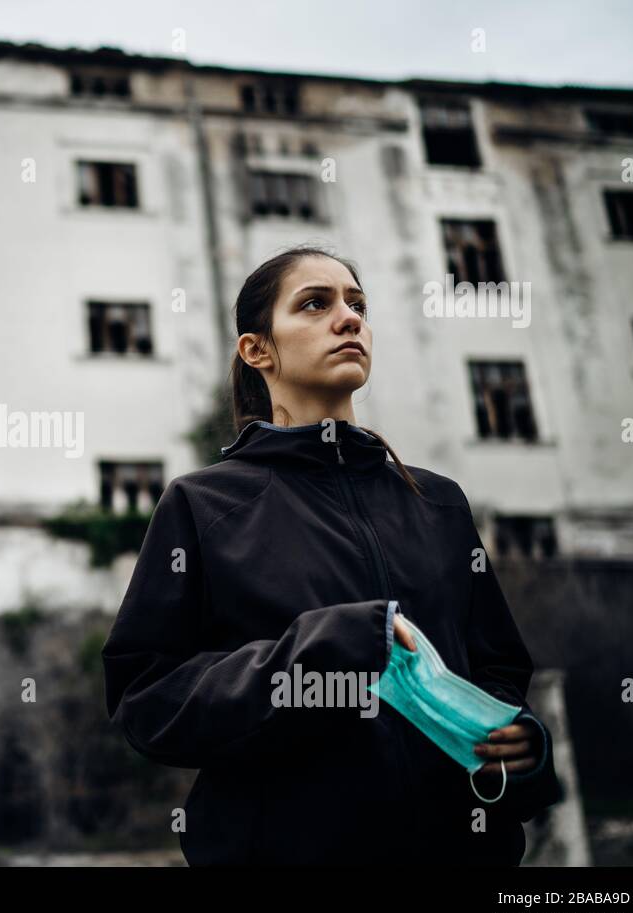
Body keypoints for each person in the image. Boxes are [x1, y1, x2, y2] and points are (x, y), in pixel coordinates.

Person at [101, 245, 563, 865]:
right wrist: (326, 646)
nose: (348, 319)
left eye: (358, 305)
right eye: (315, 304)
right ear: (257, 350)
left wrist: (520, 745)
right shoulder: (203, 506)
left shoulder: (437, 502)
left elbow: (497, 671)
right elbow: (148, 700)